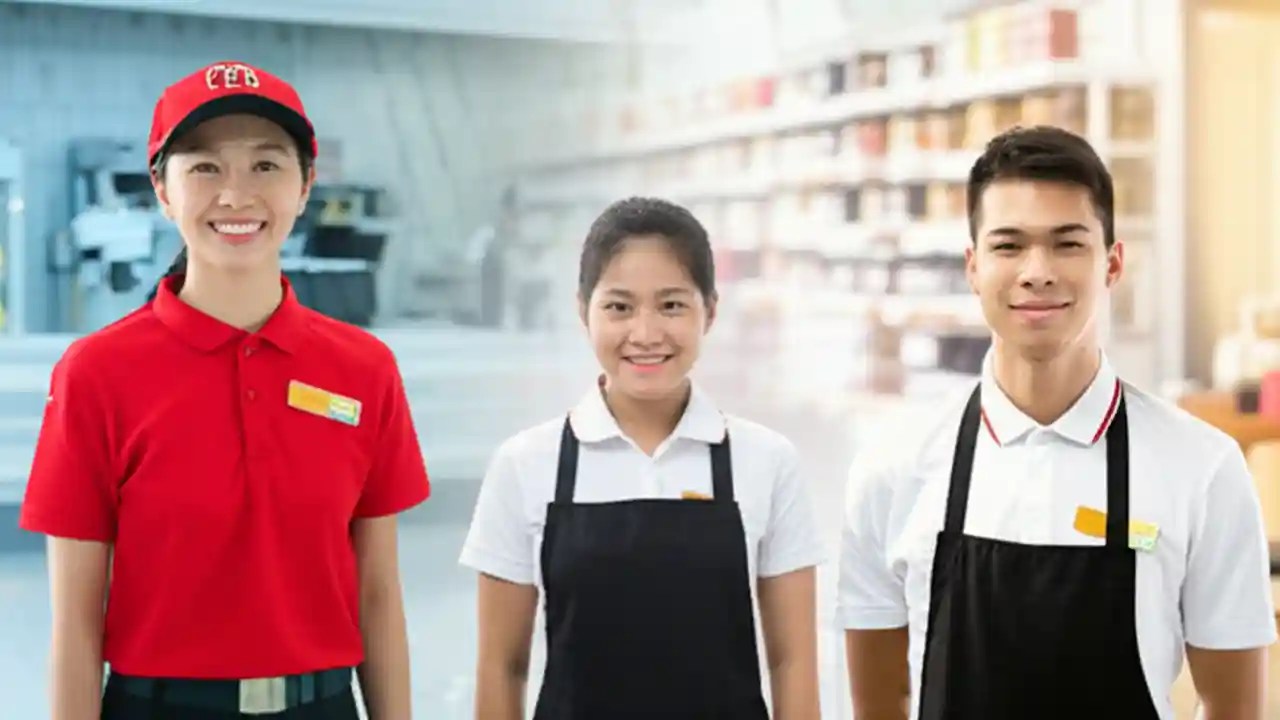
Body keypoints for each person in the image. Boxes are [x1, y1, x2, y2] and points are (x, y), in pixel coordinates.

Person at [19, 61, 430, 719]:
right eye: (205, 167)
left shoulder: (364, 369)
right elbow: (74, 622)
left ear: (306, 187)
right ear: (162, 189)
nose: (236, 195)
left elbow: (378, 593)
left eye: (266, 166)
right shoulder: (97, 373)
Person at [837, 125, 1278, 720]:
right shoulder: (893, 465)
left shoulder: (1203, 468)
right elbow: (880, 703)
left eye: (1068, 244)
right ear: (972, 266)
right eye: (1008, 245)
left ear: (1113, 263)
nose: (1037, 271)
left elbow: (1232, 707)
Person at [459, 197, 826, 719]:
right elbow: (501, 667)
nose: (646, 333)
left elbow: (792, 662)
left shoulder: (767, 461)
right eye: (619, 306)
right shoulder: (525, 464)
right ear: (582, 310)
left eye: (672, 305)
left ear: (711, 311)